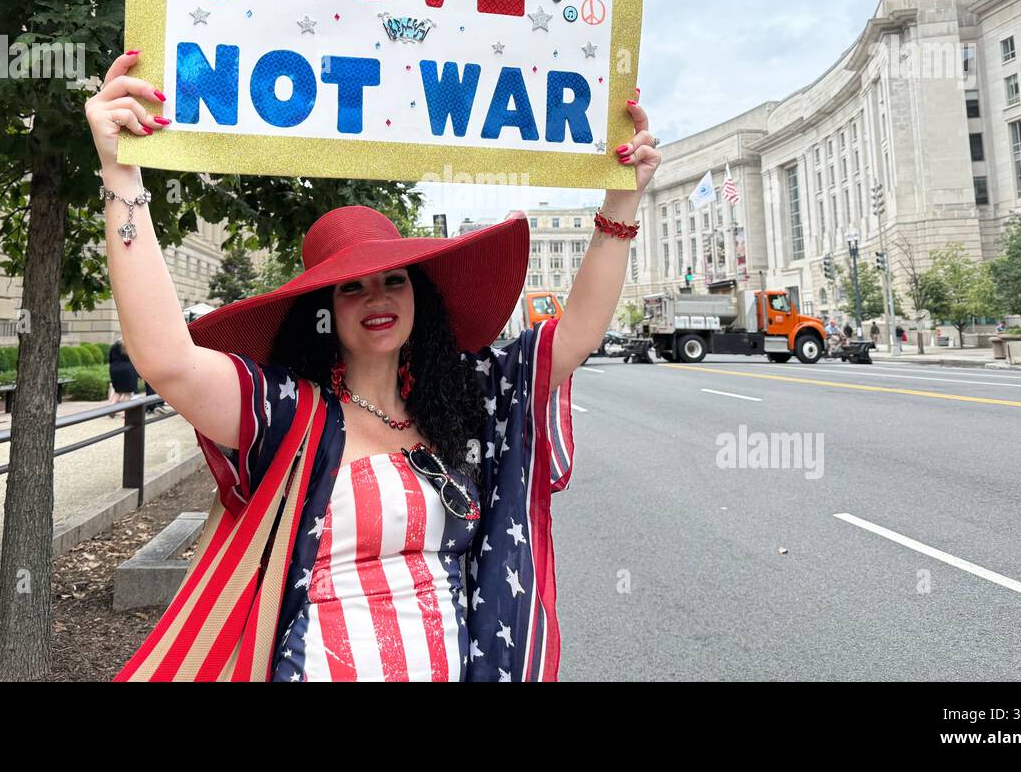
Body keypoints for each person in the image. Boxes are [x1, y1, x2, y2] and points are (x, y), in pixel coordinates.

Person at [85, 50, 661, 682]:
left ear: (421, 296)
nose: (378, 299)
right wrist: (122, 176)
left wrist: (621, 202)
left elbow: (574, 333)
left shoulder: (465, 403)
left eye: (395, 280)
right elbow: (167, 359)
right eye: (351, 288)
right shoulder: (286, 414)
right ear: (321, 311)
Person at [107, 336, 139, 408]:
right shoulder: (131, 346)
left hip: (115, 370)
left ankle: (111, 407)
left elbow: (110, 359)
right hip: (128, 370)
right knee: (127, 394)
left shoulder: (114, 346)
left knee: (117, 392)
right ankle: (124, 412)